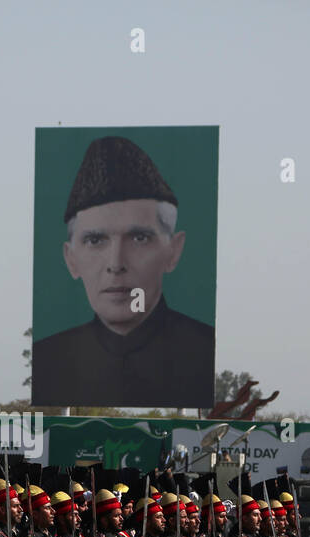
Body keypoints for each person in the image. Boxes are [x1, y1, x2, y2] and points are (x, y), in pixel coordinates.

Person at [32, 135, 214, 407]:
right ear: (71, 260)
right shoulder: (48, 362)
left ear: (173, 251)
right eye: (95, 241)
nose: (116, 263)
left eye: (139, 238)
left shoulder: (203, 354)